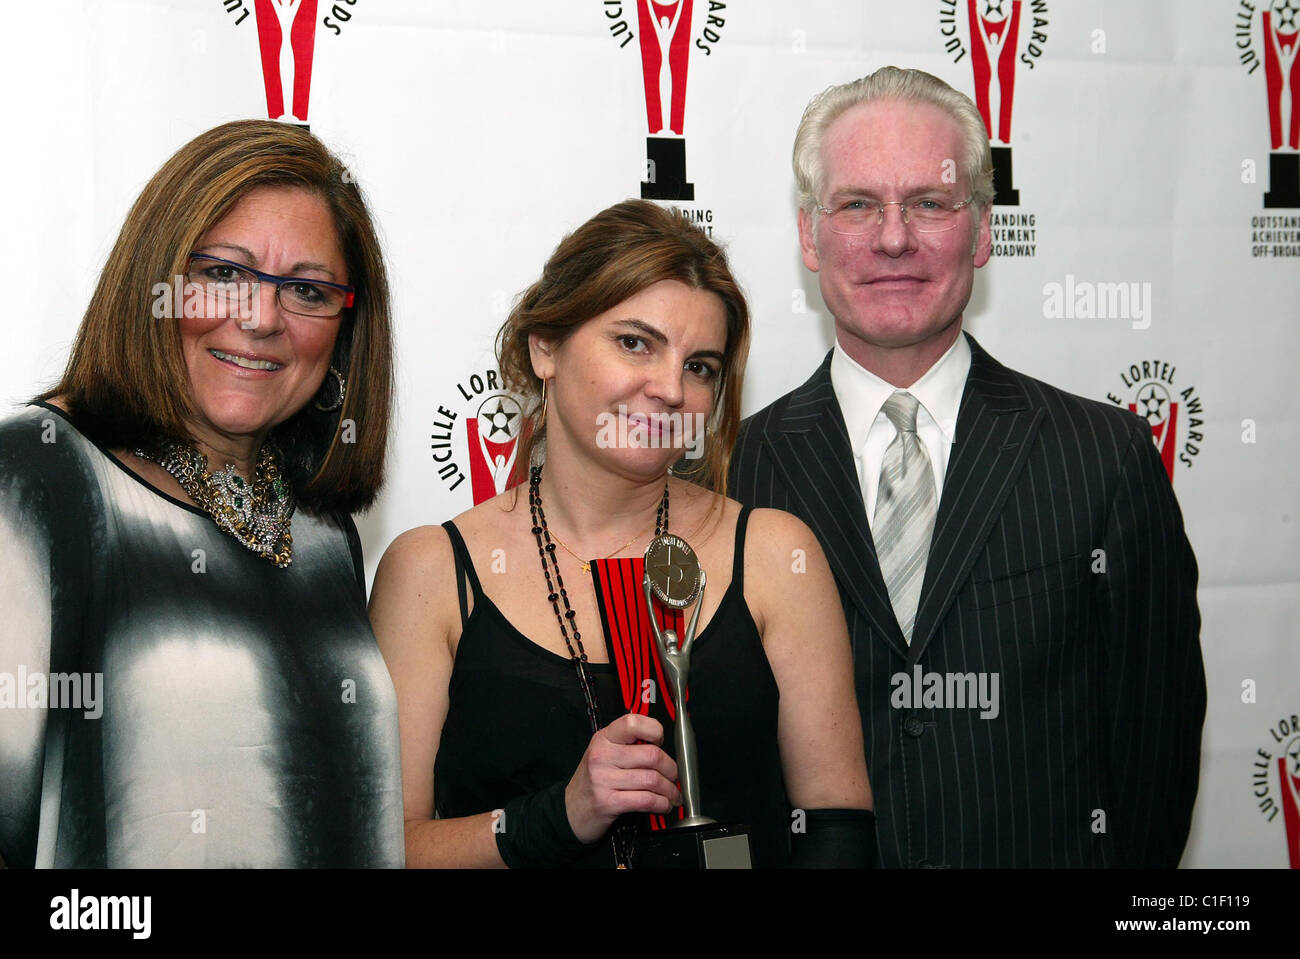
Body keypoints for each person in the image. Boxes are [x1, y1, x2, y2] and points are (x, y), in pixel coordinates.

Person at [729, 66, 1206, 868]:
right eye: (857, 204)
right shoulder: (731, 474)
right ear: (810, 236)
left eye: (930, 202)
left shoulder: (1104, 459)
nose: (893, 238)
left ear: (982, 228)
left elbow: (1152, 761)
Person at [369, 199, 872, 868]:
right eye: (635, 342)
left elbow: (835, 828)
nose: (670, 388)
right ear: (544, 346)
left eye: (701, 366)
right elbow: (383, 847)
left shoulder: (775, 555)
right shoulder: (432, 570)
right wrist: (560, 814)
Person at [0, 120, 403, 867]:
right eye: (223, 273)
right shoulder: (40, 478)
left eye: (307, 290)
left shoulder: (320, 531)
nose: (259, 319)